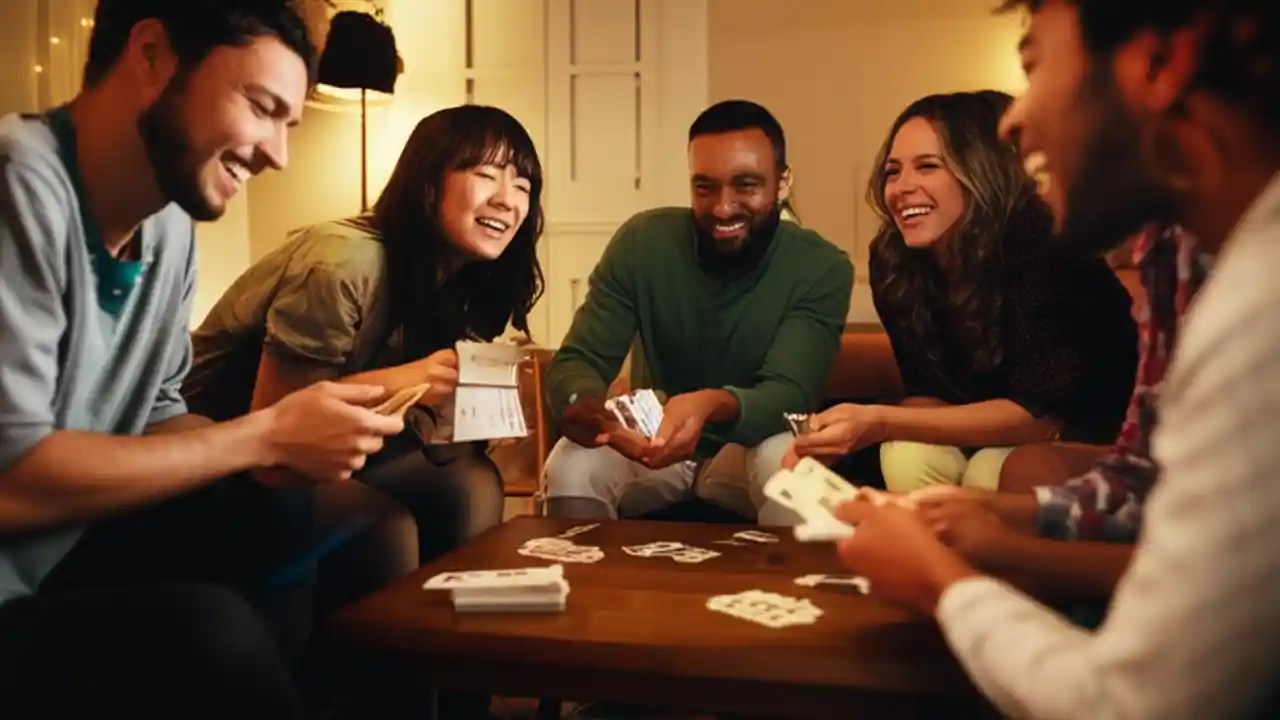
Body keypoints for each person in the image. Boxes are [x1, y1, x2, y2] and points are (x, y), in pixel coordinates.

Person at [834, 1, 1280, 717]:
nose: (1012, 121)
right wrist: (1001, 519)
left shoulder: (1257, 311)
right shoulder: (1178, 248)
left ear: (1157, 66)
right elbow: (1137, 478)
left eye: (1034, 64)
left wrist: (942, 583)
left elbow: (1140, 702)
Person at [0, 1, 408, 717]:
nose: (278, 153)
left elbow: (158, 417)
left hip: (65, 552)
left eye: (290, 124)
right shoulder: (19, 185)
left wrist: (271, 456)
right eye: (261, 106)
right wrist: (260, 435)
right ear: (152, 54)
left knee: (321, 520)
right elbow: (11, 483)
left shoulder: (168, 226)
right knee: (210, 637)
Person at [184, 105, 545, 587]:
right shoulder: (343, 260)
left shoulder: (467, 279)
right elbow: (279, 422)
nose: (508, 200)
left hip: (336, 451)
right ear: (428, 181)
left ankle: (451, 649)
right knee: (381, 525)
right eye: (486, 175)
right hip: (224, 447)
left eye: (523, 186)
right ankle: (376, 658)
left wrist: (474, 410)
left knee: (470, 480)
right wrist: (410, 377)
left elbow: (411, 417)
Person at [789, 90, 1138, 494]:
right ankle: (922, 552)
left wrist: (879, 420)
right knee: (906, 452)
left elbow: (1040, 413)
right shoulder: (894, 259)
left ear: (980, 170)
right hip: (983, 433)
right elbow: (928, 398)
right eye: (893, 171)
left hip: (1087, 429)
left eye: (927, 166)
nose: (902, 187)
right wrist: (839, 436)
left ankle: (975, 552)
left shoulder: (1039, 237)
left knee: (989, 469)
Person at [542, 100, 852, 525]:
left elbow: (788, 394)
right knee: (570, 464)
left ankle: (785, 592)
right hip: (655, 444)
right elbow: (579, 362)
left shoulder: (822, 267)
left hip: (751, 445)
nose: (723, 208)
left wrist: (709, 403)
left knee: (793, 472)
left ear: (782, 183)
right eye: (705, 188)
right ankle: (583, 588)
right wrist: (592, 409)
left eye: (746, 185)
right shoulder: (642, 242)